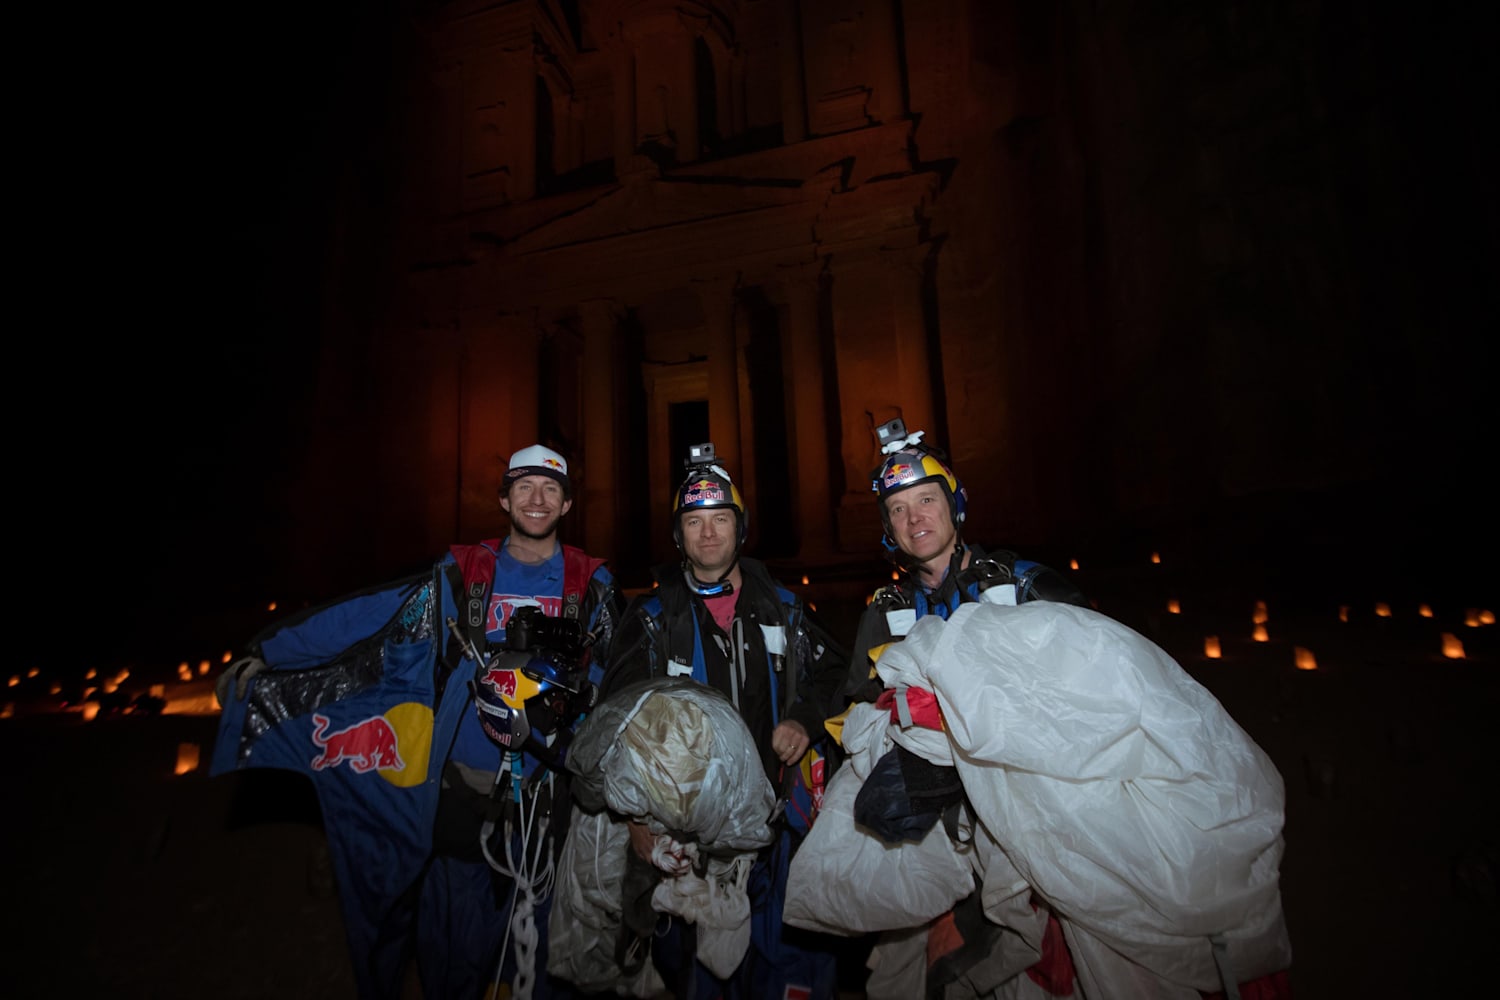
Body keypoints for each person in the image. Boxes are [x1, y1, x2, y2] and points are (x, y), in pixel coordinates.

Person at [212, 443, 622, 1000]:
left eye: (551, 488)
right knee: (454, 953)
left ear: (567, 505)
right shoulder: (461, 577)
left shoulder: (592, 587)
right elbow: (368, 616)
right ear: (503, 498)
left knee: (541, 955)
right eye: (524, 486)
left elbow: (623, 679)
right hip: (461, 799)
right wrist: (271, 652)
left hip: (551, 803)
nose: (536, 498)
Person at [840, 417, 1089, 999]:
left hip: (1035, 832)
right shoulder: (884, 610)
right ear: (886, 528)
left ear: (954, 504)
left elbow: (1093, 685)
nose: (915, 519)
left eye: (926, 500)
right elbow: (856, 711)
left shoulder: (1022, 583)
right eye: (898, 509)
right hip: (930, 840)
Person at [598, 441, 849, 1000]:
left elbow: (838, 675)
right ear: (677, 534)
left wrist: (805, 721)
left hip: (780, 833)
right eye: (694, 520)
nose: (708, 533)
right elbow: (615, 723)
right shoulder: (653, 618)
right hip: (688, 846)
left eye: (720, 519)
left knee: (788, 976)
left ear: (741, 527)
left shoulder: (784, 606)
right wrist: (636, 821)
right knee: (703, 981)